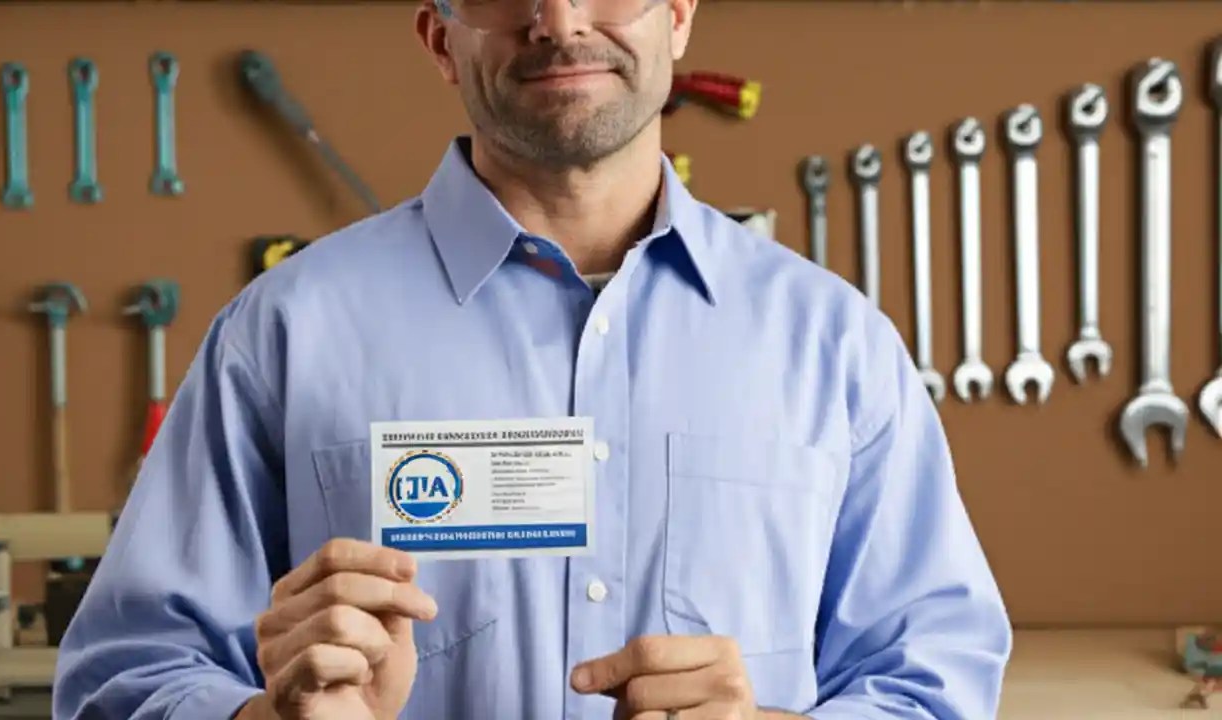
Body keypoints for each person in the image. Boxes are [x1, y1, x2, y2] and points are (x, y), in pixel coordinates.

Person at [52, 0, 1013, 717]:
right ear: (440, 37)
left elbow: (934, 674)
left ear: (677, 15)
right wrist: (262, 718)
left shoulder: (834, 345)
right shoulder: (282, 337)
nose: (557, 20)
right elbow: (124, 675)